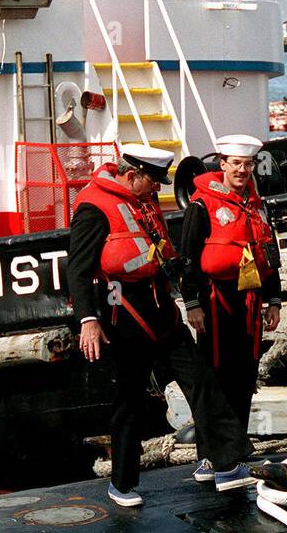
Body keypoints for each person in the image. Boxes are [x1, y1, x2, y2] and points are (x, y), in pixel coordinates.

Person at [68, 145, 254, 505]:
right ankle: (122, 483)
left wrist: (189, 291)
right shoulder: (94, 209)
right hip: (125, 313)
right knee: (130, 397)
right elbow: (77, 269)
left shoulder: (144, 202)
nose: (157, 189)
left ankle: (226, 463)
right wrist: (88, 321)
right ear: (131, 175)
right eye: (153, 181)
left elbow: (163, 253)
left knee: (201, 380)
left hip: (161, 309)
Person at [180, 134, 282, 482]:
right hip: (214, 301)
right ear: (222, 164)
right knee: (214, 379)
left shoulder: (257, 205)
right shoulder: (201, 205)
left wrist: (274, 300)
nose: (242, 170)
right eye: (235, 164)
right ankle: (216, 457)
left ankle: (224, 454)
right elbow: (189, 257)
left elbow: (269, 254)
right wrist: (192, 303)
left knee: (243, 377)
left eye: (248, 164)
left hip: (249, 302)